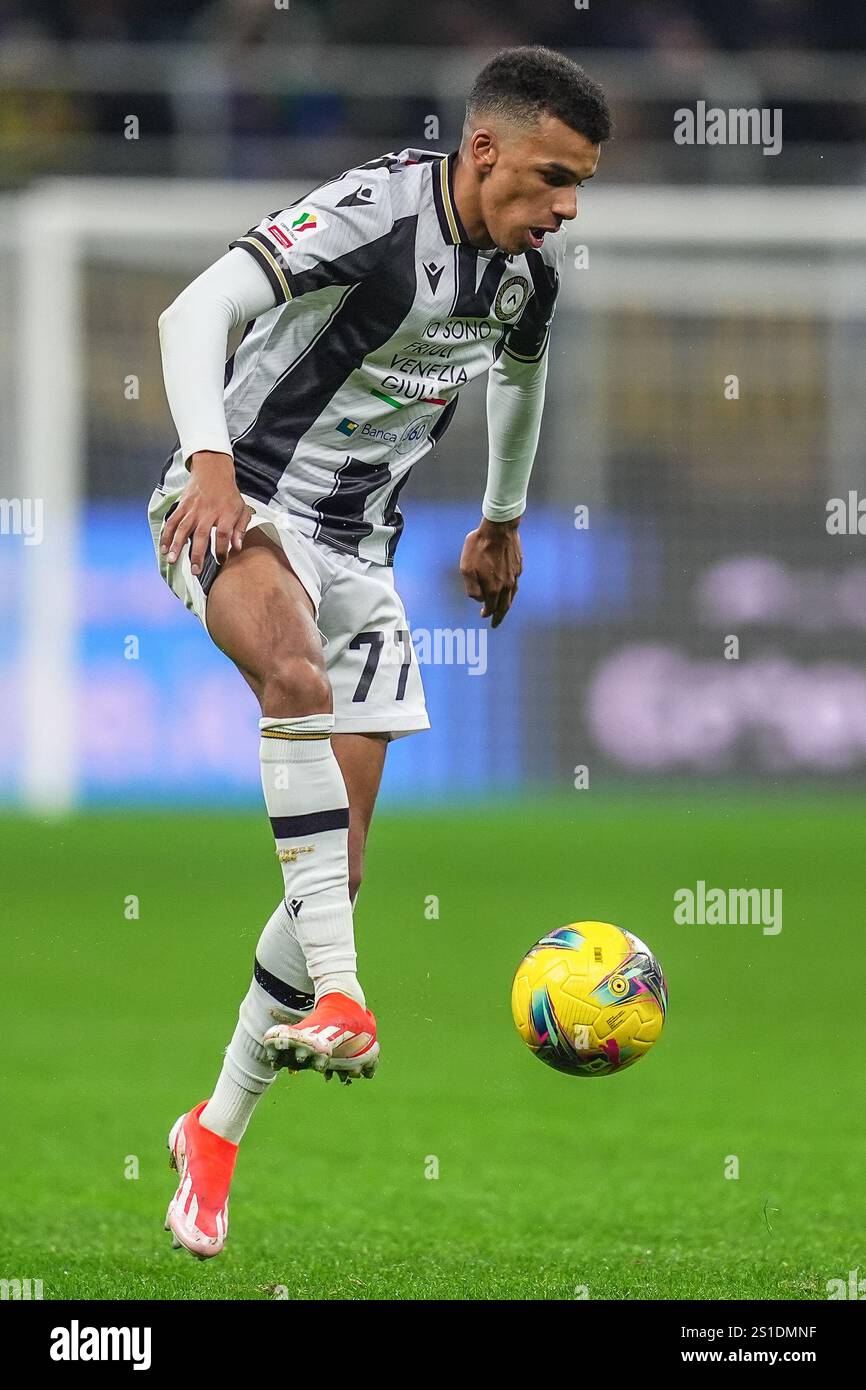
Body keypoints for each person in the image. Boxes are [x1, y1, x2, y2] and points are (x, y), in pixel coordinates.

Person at [149, 44, 610, 1258]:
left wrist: (502, 516)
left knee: (329, 879)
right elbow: (192, 308)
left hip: (360, 552)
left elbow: (521, 376)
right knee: (290, 681)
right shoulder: (372, 212)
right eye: (552, 178)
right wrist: (204, 458)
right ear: (484, 152)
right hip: (237, 503)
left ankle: (215, 1130)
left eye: (578, 188)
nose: (564, 207)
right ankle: (348, 998)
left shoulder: (523, 280)